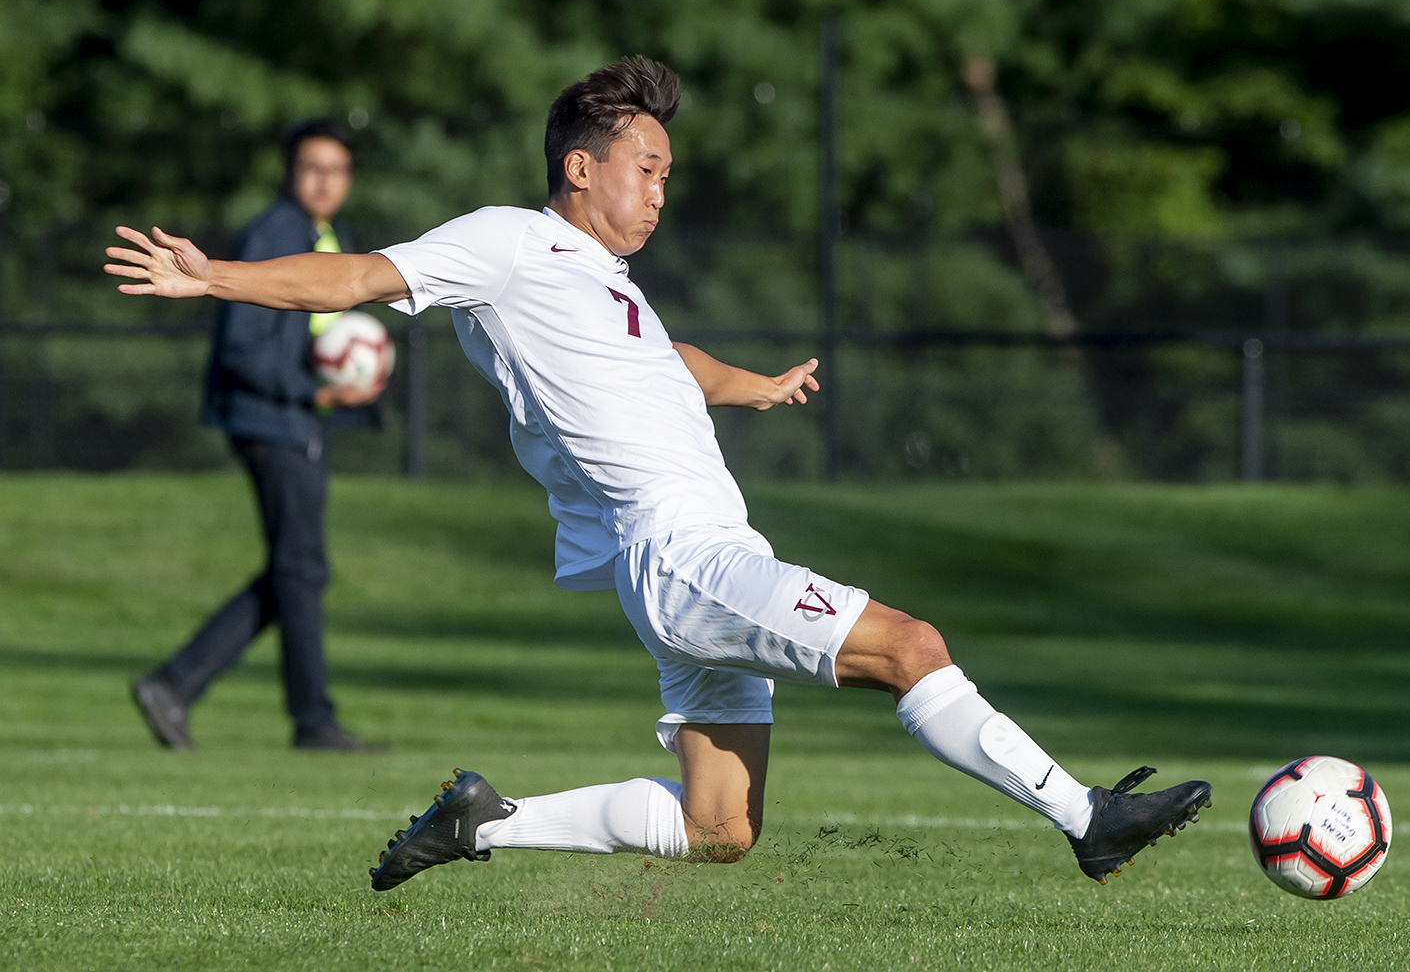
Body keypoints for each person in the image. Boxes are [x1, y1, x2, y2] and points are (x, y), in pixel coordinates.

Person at [106, 57, 1210, 884]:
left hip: (696, 558)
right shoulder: (504, 243)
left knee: (720, 828)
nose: (661, 189)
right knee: (913, 646)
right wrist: (218, 277)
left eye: (668, 172)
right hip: (681, 552)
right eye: (647, 166)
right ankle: (1086, 818)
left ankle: (484, 819)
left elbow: (668, 364)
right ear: (580, 168)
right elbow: (352, 273)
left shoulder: (611, 281)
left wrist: (756, 384)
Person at [129, 120, 385, 752]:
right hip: (271, 423)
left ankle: (175, 685)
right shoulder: (277, 231)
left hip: (295, 421)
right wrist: (318, 393)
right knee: (300, 571)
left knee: (296, 571)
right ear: (290, 173)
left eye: (337, 170)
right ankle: (312, 722)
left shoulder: (327, 235)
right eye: (311, 168)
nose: (325, 180)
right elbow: (243, 349)